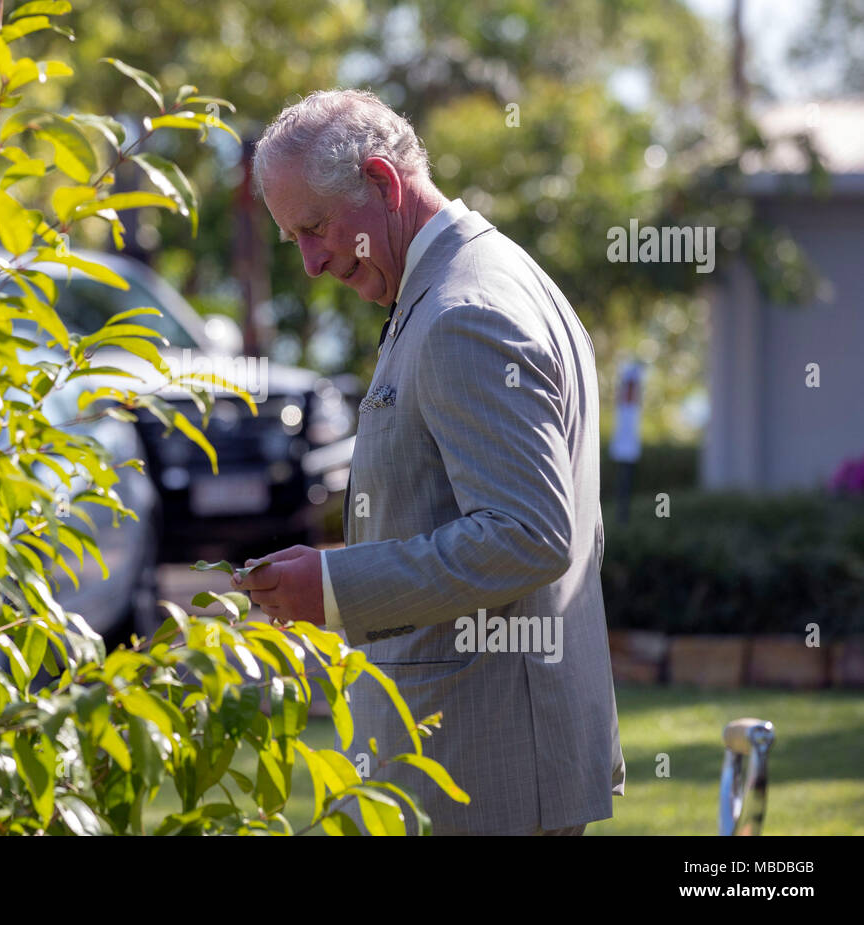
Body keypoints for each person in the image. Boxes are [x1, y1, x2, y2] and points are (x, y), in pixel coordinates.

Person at [234, 89, 625, 835]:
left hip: (485, 782)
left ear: (383, 182)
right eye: (293, 239)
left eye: (315, 228)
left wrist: (336, 586)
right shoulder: (483, 277)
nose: (312, 263)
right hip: (494, 770)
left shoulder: (462, 310)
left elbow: (529, 533)